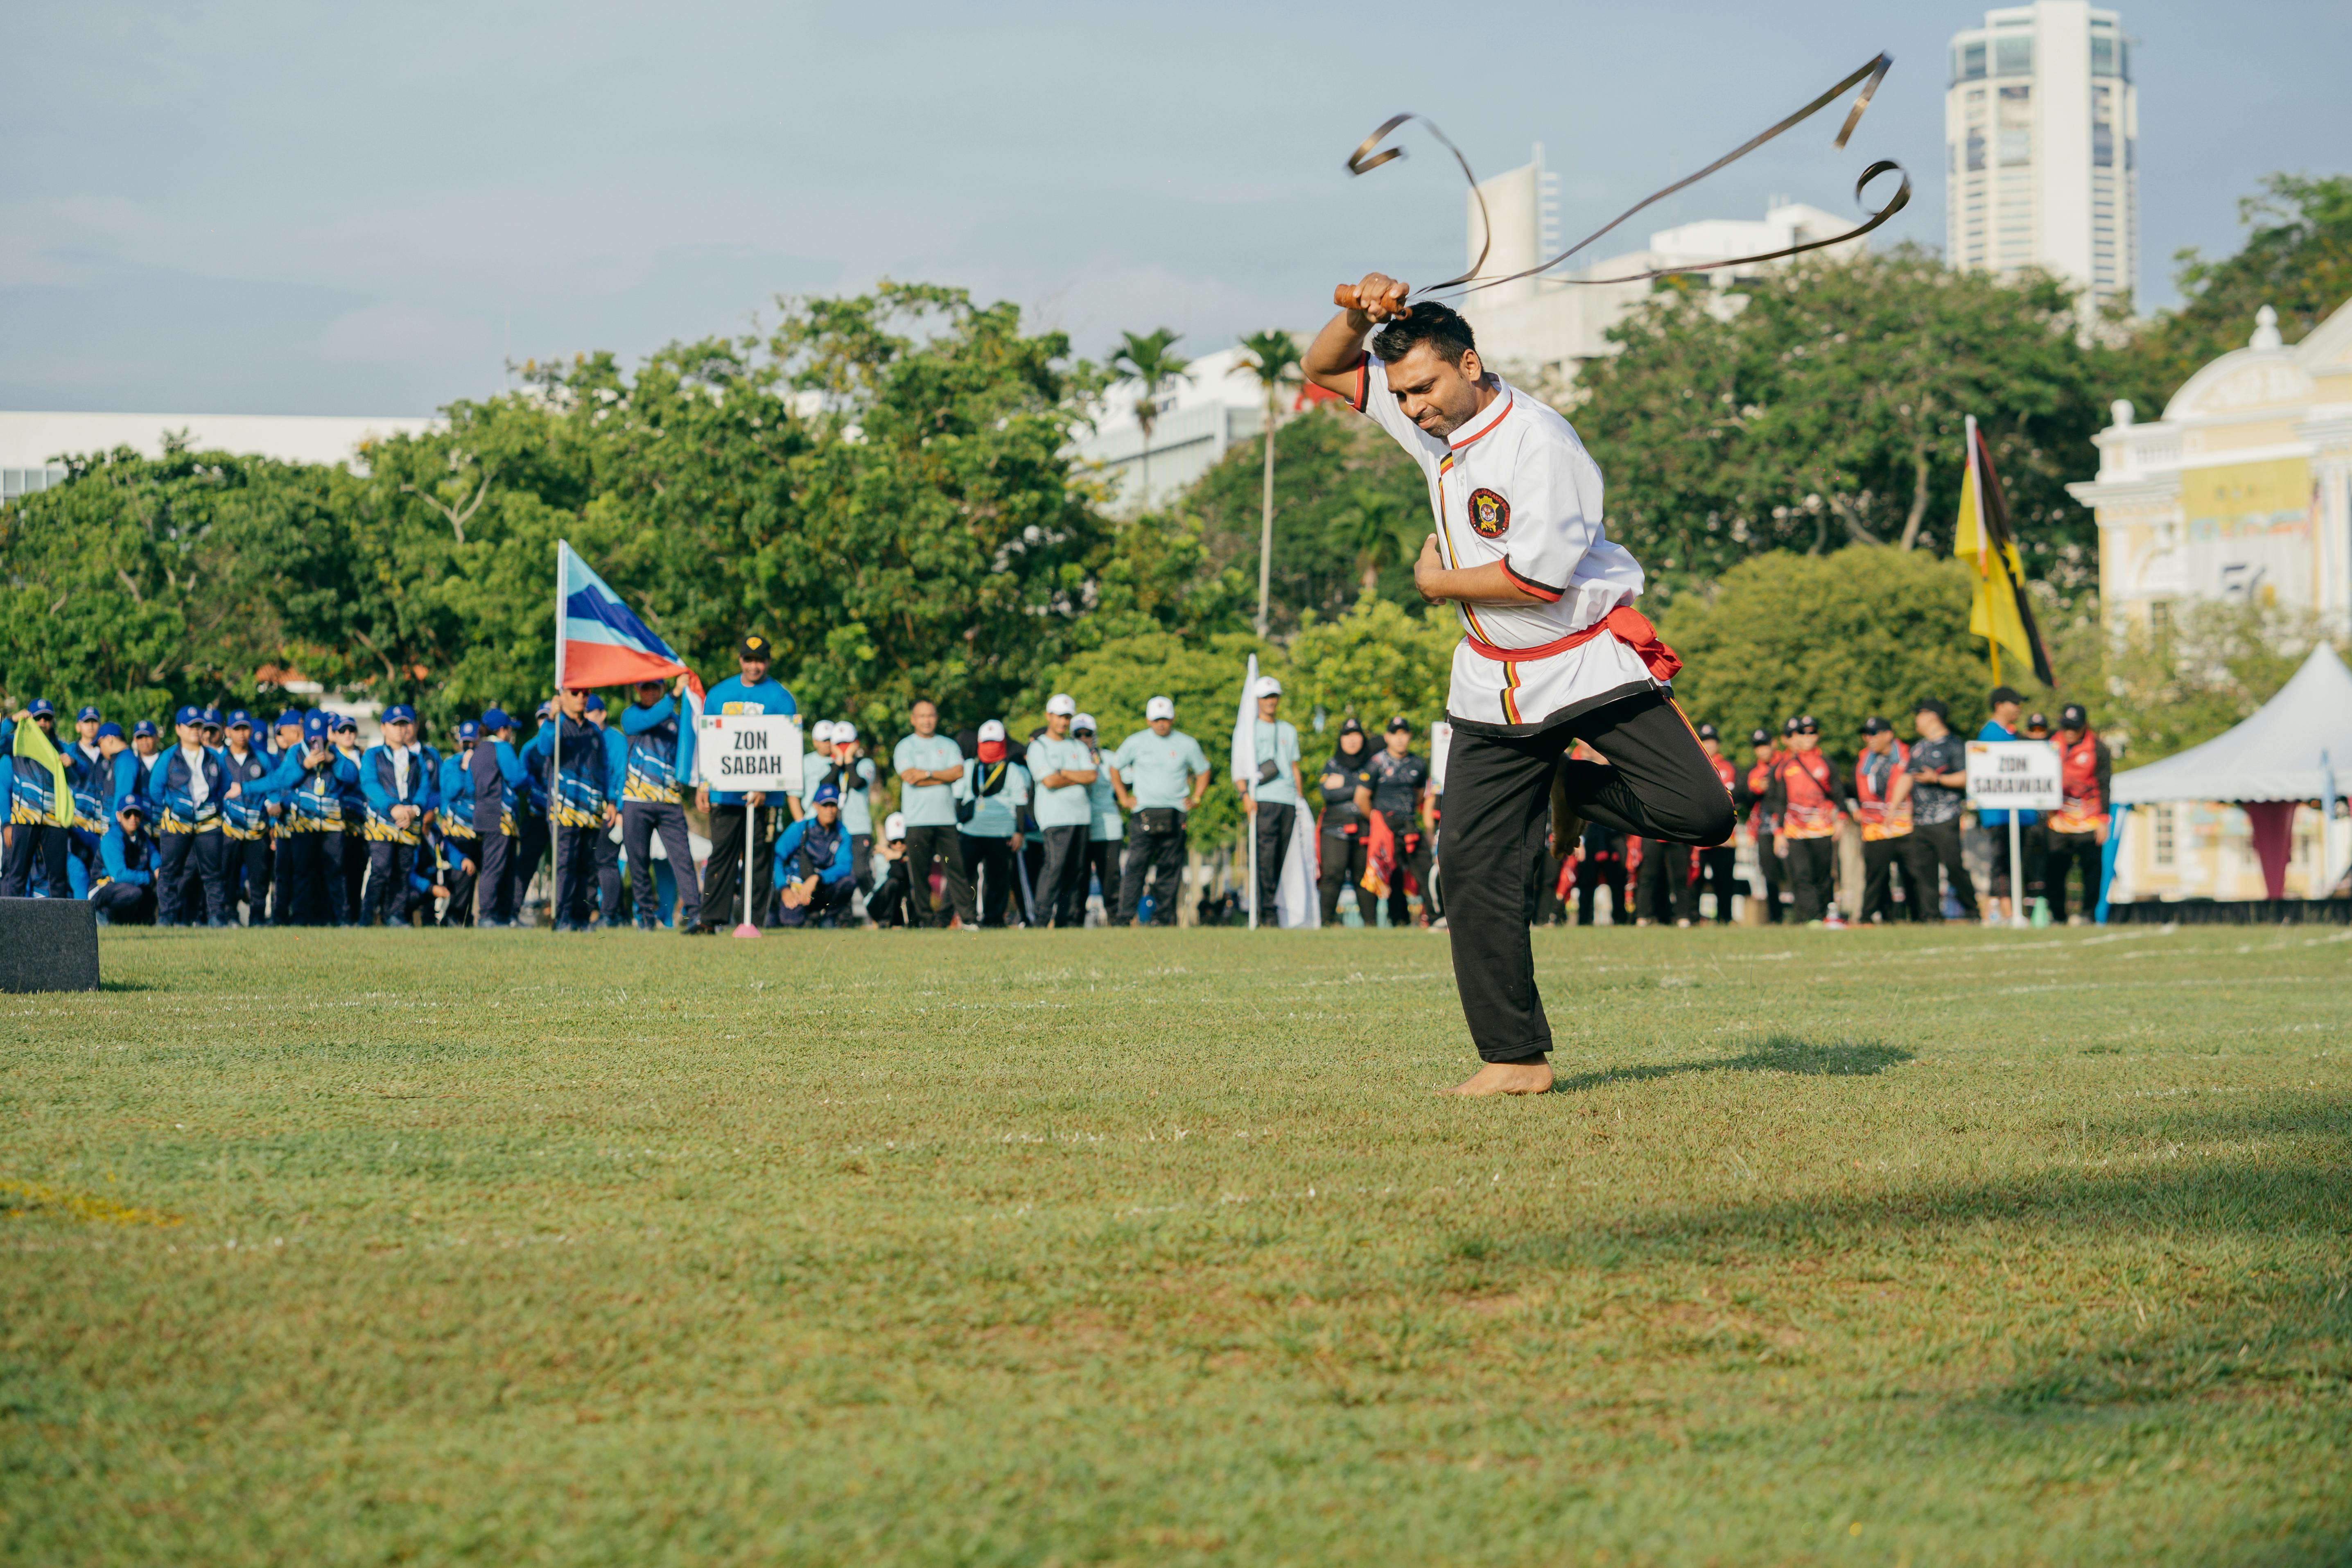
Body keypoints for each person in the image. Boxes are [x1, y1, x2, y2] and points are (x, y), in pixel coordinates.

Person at [1303, 280, 1732, 1091]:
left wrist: (1435, 584)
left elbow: (1535, 583)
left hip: (1583, 659)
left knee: (1702, 814)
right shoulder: (1427, 418)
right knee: (1469, 861)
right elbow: (1323, 367)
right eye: (1402, 395)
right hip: (1491, 678)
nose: (1414, 408)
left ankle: (1570, 787)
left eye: (1425, 387)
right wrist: (1358, 316)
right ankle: (1514, 1058)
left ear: (1469, 364)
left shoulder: (1542, 443)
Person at [695, 635, 797, 933]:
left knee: (760, 857)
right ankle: (710, 920)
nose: (754, 666)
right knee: (721, 855)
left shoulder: (781, 698)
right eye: (749, 660)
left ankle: (752, 921)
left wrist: (765, 786)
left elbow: (785, 746)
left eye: (760, 660)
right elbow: (708, 743)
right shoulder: (719, 694)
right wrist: (703, 785)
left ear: (769, 661)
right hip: (725, 793)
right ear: (740, 660)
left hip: (765, 798)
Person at [1111, 696, 1212, 927]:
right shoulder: (1135, 742)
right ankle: (1124, 916)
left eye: (1165, 719)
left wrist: (1197, 797)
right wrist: (1124, 797)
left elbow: (1204, 770)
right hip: (1143, 812)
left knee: (1170, 867)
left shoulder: (1187, 744)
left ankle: (1162, 917)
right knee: (1136, 865)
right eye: (1157, 720)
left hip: (1175, 812)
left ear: (1173, 718)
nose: (1161, 724)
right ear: (1148, 720)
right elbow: (1115, 768)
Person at [526, 690, 620, 932]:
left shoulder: (594, 731)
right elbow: (545, 747)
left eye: (585, 693)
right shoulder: (556, 726)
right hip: (564, 810)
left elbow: (604, 767)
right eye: (575, 692)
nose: (581, 697)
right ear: (563, 696)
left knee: (587, 865)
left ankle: (581, 917)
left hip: (591, 810)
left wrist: (611, 800)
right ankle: (563, 917)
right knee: (565, 863)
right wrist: (551, 719)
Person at [617, 676, 703, 934]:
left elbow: (689, 752)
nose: (651, 692)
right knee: (638, 862)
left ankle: (696, 914)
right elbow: (649, 719)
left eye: (656, 687)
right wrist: (674, 695)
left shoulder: (676, 721)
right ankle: (645, 916)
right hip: (636, 801)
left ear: (662, 688)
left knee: (683, 859)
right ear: (637, 689)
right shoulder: (630, 716)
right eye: (646, 687)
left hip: (669, 802)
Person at [891, 698, 978, 930]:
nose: (927, 720)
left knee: (957, 870)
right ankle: (924, 920)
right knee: (919, 872)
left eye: (930, 715)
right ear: (913, 720)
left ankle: (968, 919)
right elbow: (910, 777)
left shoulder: (949, 745)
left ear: (937, 718)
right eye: (922, 716)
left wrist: (926, 774)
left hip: (946, 820)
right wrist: (941, 775)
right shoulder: (905, 746)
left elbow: (958, 773)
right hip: (917, 820)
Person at [147, 704, 233, 926]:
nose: (195, 730)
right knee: (170, 871)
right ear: (178, 729)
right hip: (177, 823)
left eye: (198, 726)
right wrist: (173, 807)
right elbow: (155, 789)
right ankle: (167, 917)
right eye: (190, 726)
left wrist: (213, 806)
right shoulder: (168, 757)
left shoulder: (213, 756)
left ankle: (216, 917)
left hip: (208, 822)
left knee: (213, 872)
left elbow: (226, 785)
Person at [1232, 676, 1305, 924]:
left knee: (1285, 858)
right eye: (1265, 697)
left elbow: (1294, 766)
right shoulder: (1248, 729)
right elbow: (1239, 766)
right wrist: (1245, 795)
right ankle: (1266, 911)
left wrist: (1300, 799)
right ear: (1257, 700)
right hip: (1262, 800)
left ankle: (1282, 909)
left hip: (1287, 800)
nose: (1270, 701)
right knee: (1265, 858)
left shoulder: (1289, 730)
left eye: (1273, 696)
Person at [357, 704, 436, 926]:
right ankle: (367, 917)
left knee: (403, 871)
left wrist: (415, 810)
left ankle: (395, 916)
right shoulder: (373, 755)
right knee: (381, 869)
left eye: (404, 725)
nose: (401, 730)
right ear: (384, 728)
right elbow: (369, 783)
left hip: (409, 823)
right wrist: (392, 807)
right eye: (395, 725)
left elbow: (424, 787)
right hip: (382, 823)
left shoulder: (416, 758)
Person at [1354, 715, 1433, 927]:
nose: (1400, 739)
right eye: (1395, 734)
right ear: (1387, 737)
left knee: (1426, 871)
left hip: (1410, 825)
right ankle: (1398, 920)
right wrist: (1377, 819)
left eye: (1404, 734)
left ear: (1409, 736)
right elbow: (1361, 798)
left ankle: (1435, 917)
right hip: (1386, 828)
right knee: (1392, 875)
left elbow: (1420, 795)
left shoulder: (1418, 764)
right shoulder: (1376, 763)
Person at [1765, 715, 1843, 926]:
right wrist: (1779, 833)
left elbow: (1838, 794)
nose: (1807, 737)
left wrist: (1842, 819)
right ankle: (1811, 918)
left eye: (1811, 733)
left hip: (1822, 829)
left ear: (1818, 736)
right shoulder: (1785, 766)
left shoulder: (1827, 763)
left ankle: (1825, 914)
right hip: (1795, 831)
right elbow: (1778, 803)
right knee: (1801, 875)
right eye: (1802, 733)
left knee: (1823, 876)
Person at [1027, 694, 1097, 929]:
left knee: (1077, 871)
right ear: (1049, 716)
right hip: (1055, 817)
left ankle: (1067, 921)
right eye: (1059, 716)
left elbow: (1092, 775)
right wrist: (1075, 776)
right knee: (1055, 867)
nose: (1063, 722)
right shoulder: (1039, 746)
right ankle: (1041, 918)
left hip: (1081, 817)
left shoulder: (1077, 745)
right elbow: (1049, 781)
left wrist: (1064, 772)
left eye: (1067, 717)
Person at [1904, 699, 1975, 922]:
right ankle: (1931, 916)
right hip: (1920, 820)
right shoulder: (1918, 748)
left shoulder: (1954, 745)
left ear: (1932, 716)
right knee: (1924, 870)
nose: (1916, 720)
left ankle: (1972, 911)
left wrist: (1937, 779)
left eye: (1919, 714)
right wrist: (1893, 808)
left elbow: (1966, 777)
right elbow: (1907, 778)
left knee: (1953, 866)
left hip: (1946, 818)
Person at [956, 719, 1030, 927]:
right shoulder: (968, 766)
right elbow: (957, 799)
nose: (991, 747)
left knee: (998, 878)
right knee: (966, 875)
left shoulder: (1013, 770)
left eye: (995, 742)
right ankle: (968, 917)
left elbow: (1020, 804)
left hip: (1002, 832)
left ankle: (994, 919)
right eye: (987, 742)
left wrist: (1019, 832)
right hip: (970, 831)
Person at [2045, 702, 2113, 924]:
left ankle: (2088, 914)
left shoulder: (2098, 749)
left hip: (2088, 820)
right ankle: (2058, 916)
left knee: (2092, 869)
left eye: (2075, 727)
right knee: (2055, 869)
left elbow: (2104, 785)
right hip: (2057, 820)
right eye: (2066, 727)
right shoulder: (2050, 745)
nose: (2070, 732)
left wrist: (2103, 820)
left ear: (2085, 726)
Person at [1853, 716, 1924, 924]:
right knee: (1876, 876)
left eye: (1874, 734)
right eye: (1866, 735)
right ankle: (1873, 917)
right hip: (1875, 827)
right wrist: (1855, 810)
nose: (1870, 739)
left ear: (1888, 735)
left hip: (1905, 826)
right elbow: (1853, 792)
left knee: (1913, 875)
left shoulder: (1908, 756)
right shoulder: (1863, 760)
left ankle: (1920, 917)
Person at [1976, 685, 2037, 921]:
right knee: (2003, 862)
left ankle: (2014, 909)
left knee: (2017, 863)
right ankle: (2006, 911)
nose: (2019, 708)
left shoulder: (2012, 734)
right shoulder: (1990, 735)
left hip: (2020, 813)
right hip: (2000, 814)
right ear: (1999, 706)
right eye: (2015, 703)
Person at [3, 698, 74, 899]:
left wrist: (73, 763)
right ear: (30, 720)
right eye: (38, 718)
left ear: (53, 722)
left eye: (47, 718)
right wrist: (11, 721)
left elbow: (83, 774)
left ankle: (60, 919)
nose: (43, 722)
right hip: (25, 818)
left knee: (59, 878)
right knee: (18, 876)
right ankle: (12, 919)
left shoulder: (62, 748)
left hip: (55, 820)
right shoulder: (18, 742)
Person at [215, 711, 274, 925]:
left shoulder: (263, 759)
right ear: (228, 731)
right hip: (229, 831)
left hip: (257, 830)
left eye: (245, 729)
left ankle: (257, 917)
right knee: (228, 875)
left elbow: (273, 790)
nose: (242, 734)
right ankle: (231, 916)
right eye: (237, 729)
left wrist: (273, 823)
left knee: (260, 876)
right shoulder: (219, 759)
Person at [1314, 717, 1375, 924]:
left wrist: (1346, 783)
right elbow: (1328, 794)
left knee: (1364, 878)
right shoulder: (1331, 764)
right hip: (1334, 829)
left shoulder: (1372, 764)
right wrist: (1360, 786)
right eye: (1347, 736)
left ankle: (1372, 927)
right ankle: (1325, 924)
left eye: (1356, 735)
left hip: (1364, 829)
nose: (1352, 740)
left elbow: (1375, 791)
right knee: (1333, 875)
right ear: (1341, 740)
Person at [774, 781, 858, 927]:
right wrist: (784, 889)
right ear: (816, 806)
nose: (830, 810)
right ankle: (809, 917)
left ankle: (829, 918)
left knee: (849, 882)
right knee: (791, 922)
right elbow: (778, 857)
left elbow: (844, 866)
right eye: (825, 806)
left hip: (822, 887)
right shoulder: (801, 828)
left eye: (833, 805)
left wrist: (818, 878)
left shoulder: (842, 833)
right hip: (797, 888)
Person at [820, 721, 879, 914]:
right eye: (839, 744)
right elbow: (825, 786)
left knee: (861, 872)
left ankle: (880, 913)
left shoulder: (865, 764)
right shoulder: (832, 767)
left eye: (847, 744)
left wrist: (849, 760)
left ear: (855, 744)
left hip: (859, 828)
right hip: (837, 830)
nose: (843, 748)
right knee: (842, 876)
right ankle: (844, 920)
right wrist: (839, 763)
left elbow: (856, 782)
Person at [1072, 713, 1123, 925]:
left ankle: (1116, 919)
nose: (1084, 738)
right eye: (1078, 734)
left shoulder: (1109, 759)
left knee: (1110, 876)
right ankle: (1074, 921)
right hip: (1077, 826)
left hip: (1107, 826)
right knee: (1079, 877)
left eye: (1088, 734)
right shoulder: (1068, 760)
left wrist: (1123, 799)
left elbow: (1128, 781)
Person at [1693, 723, 1739, 924]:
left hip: (1724, 837)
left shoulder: (1729, 768)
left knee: (1724, 880)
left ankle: (1725, 918)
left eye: (1712, 741)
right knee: (1695, 878)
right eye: (1705, 741)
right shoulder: (1693, 766)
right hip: (1699, 836)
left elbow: (1734, 799)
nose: (1709, 745)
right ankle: (1693, 917)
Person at [90, 798, 159, 925]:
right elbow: (119, 875)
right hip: (103, 886)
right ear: (119, 816)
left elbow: (153, 852)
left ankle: (144, 921)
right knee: (134, 892)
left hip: (126, 884)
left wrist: (158, 869)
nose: (133, 818)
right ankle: (103, 914)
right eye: (128, 814)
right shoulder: (112, 838)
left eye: (137, 814)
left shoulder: (141, 835)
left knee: (161, 884)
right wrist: (150, 877)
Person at [865, 812, 920, 928]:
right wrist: (896, 859)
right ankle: (885, 921)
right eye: (895, 841)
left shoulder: (910, 857)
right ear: (889, 842)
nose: (899, 845)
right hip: (880, 904)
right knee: (894, 883)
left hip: (900, 906)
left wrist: (897, 857)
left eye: (902, 841)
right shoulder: (881, 856)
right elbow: (896, 874)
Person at [1571, 820, 1627, 926]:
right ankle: (1585, 919)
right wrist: (1580, 839)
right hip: (1591, 833)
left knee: (1618, 881)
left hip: (1614, 832)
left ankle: (1620, 918)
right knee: (1587, 881)